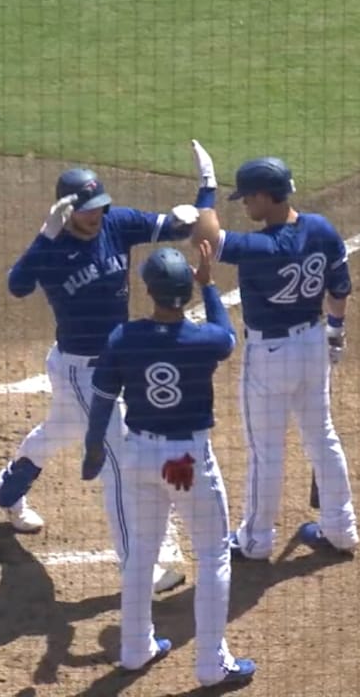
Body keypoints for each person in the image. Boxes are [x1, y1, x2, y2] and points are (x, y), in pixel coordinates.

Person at [0, 159, 214, 594]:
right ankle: (138, 568)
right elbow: (17, 285)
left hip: (118, 362)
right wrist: (45, 236)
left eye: (99, 205)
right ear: (66, 210)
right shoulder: (50, 249)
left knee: (61, 430)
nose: (96, 214)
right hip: (81, 370)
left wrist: (196, 203)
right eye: (88, 208)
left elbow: (176, 228)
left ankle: (4, 489)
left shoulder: (117, 223)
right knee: (119, 462)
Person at [78, 242, 256, 688]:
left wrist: (94, 448)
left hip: (139, 456)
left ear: (150, 291)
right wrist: (209, 284)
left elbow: (102, 398)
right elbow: (227, 334)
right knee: (214, 553)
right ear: (185, 292)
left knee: (141, 551)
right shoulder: (205, 341)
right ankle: (212, 664)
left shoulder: (125, 337)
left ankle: (135, 649)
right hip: (188, 460)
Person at [187, 141, 360, 558]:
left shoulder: (260, 248)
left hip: (269, 359)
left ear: (266, 196)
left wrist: (207, 187)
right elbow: (340, 290)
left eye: (247, 196)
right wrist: (336, 333)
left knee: (266, 451)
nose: (245, 204)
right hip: (314, 344)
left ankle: (255, 540)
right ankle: (341, 528)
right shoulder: (321, 229)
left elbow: (203, 235)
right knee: (323, 436)